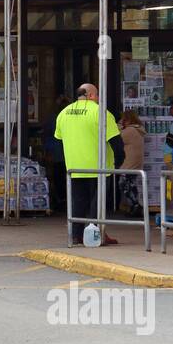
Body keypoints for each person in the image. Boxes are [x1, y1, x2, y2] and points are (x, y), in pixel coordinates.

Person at [55, 84, 125, 245]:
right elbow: (116, 141)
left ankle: (76, 235)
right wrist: (119, 161)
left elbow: (59, 138)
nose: (99, 98)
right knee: (98, 202)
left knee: (78, 202)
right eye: (98, 95)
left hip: (74, 166)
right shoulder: (100, 112)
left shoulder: (64, 113)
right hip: (98, 166)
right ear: (92, 95)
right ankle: (95, 234)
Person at [117, 109, 146, 217]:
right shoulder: (138, 129)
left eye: (124, 119)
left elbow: (116, 136)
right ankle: (135, 206)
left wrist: (119, 124)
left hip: (129, 163)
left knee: (124, 184)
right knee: (130, 184)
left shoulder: (129, 131)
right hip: (135, 162)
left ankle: (135, 206)